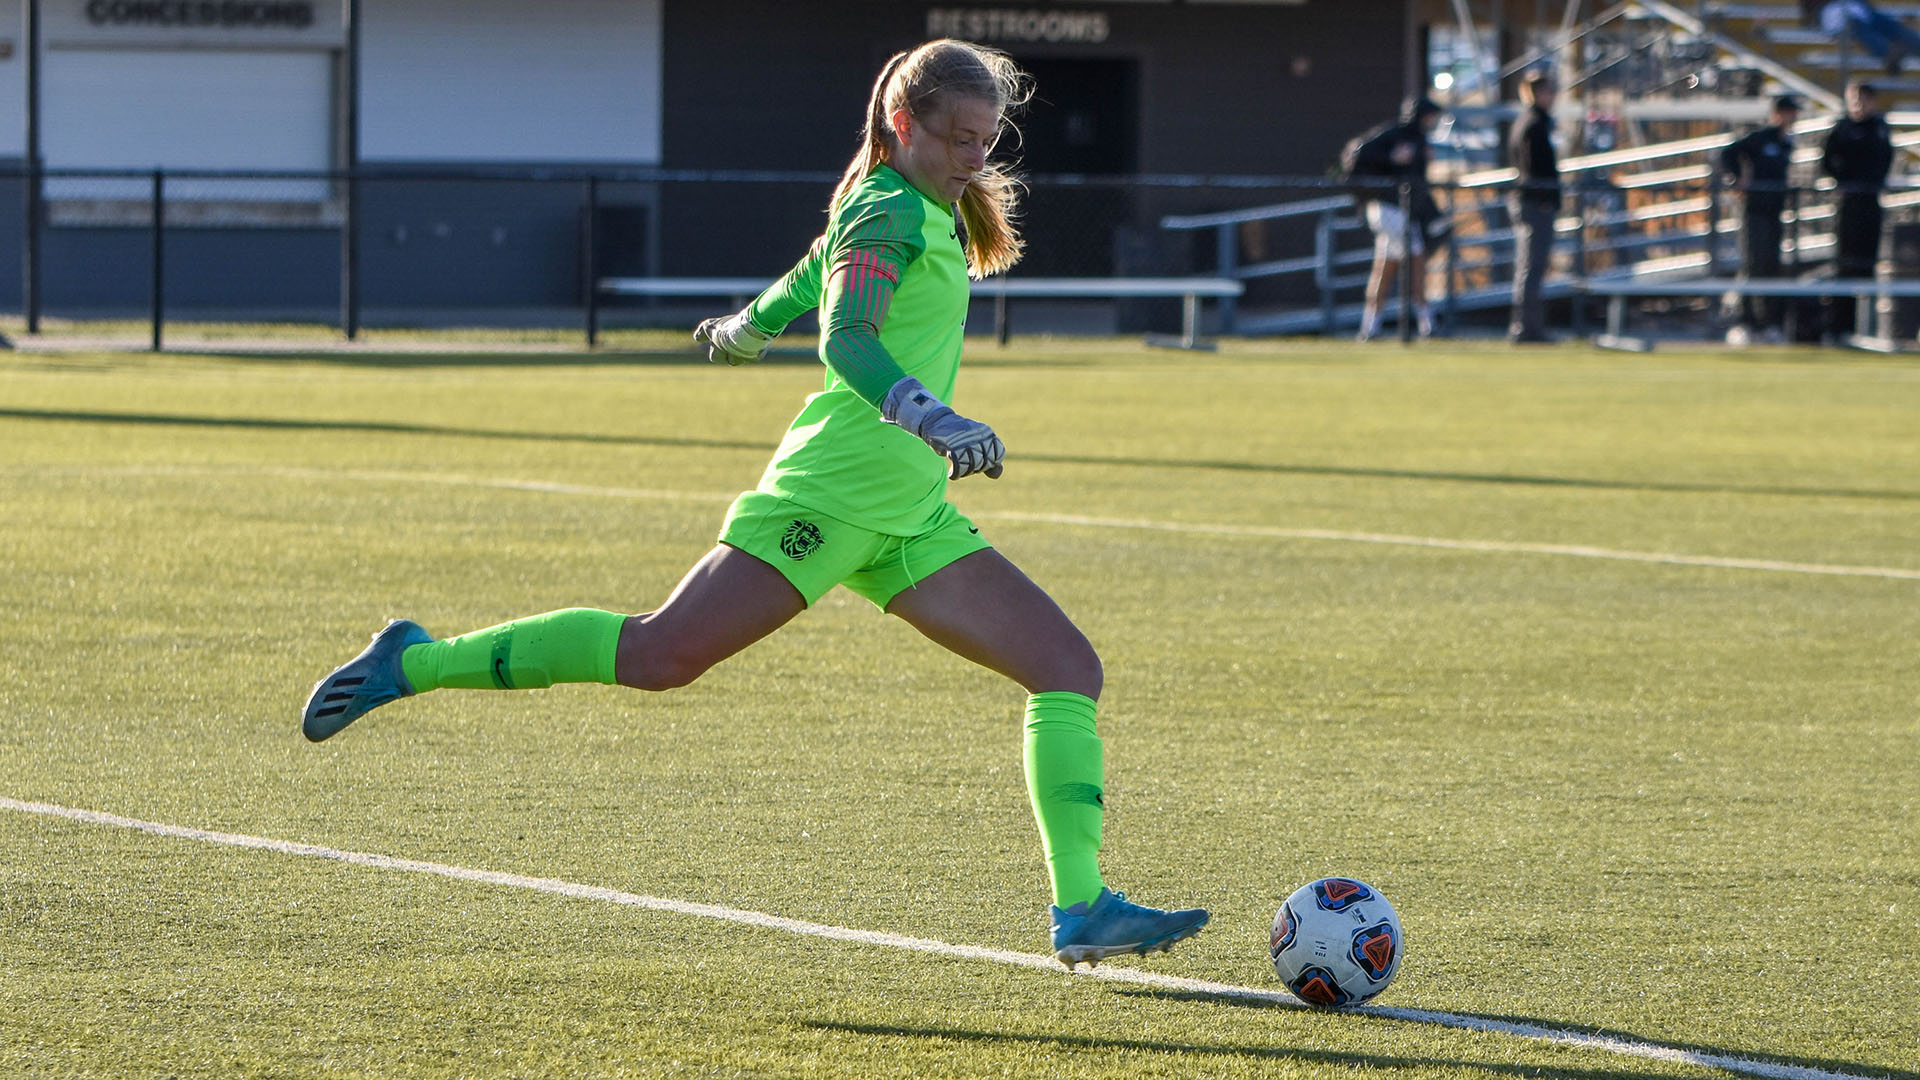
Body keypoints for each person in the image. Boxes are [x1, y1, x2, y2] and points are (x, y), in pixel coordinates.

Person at [299, 39, 1208, 969]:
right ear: (905, 125)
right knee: (660, 655)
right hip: (830, 494)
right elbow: (849, 334)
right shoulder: (890, 204)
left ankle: (1082, 906)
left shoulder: (912, 205)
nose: (978, 158)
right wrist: (930, 416)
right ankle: (414, 662)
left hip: (910, 515)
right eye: (961, 138)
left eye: (988, 139)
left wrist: (748, 326)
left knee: (1067, 669)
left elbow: (817, 272)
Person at [1347, 96, 1448, 341]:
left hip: (1401, 211)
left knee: (1386, 266)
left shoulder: (1417, 139)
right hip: (1389, 209)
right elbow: (1358, 156)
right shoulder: (1396, 136)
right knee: (1416, 259)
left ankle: (1370, 326)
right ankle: (1426, 323)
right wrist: (1392, 158)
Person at [1719, 93, 1802, 344]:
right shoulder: (1760, 138)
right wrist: (1736, 179)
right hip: (1754, 209)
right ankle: (1746, 322)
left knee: (1771, 265)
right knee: (1753, 264)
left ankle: (1769, 322)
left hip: (1774, 210)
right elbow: (1729, 154)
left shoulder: (1787, 142)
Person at [1821, 80, 1894, 338]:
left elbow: (1884, 159)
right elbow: (1828, 161)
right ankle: (1841, 326)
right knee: (1845, 263)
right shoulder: (1842, 128)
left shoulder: (1879, 128)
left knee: (1867, 263)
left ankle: (1868, 327)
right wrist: (1845, 179)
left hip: (1869, 201)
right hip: (1848, 203)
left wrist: (1870, 181)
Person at [1507, 70, 1561, 344]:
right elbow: (1533, 168)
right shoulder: (1533, 124)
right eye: (1549, 91)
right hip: (1534, 203)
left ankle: (1529, 326)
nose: (1553, 97)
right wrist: (1543, 198)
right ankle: (1525, 328)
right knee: (1532, 267)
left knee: (1531, 267)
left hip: (1531, 200)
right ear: (1538, 94)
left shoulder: (1530, 122)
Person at [1805, 0, 1920, 75]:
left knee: (1887, 23)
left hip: (1857, 7)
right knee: (1853, 22)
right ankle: (1889, 54)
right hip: (1830, 12)